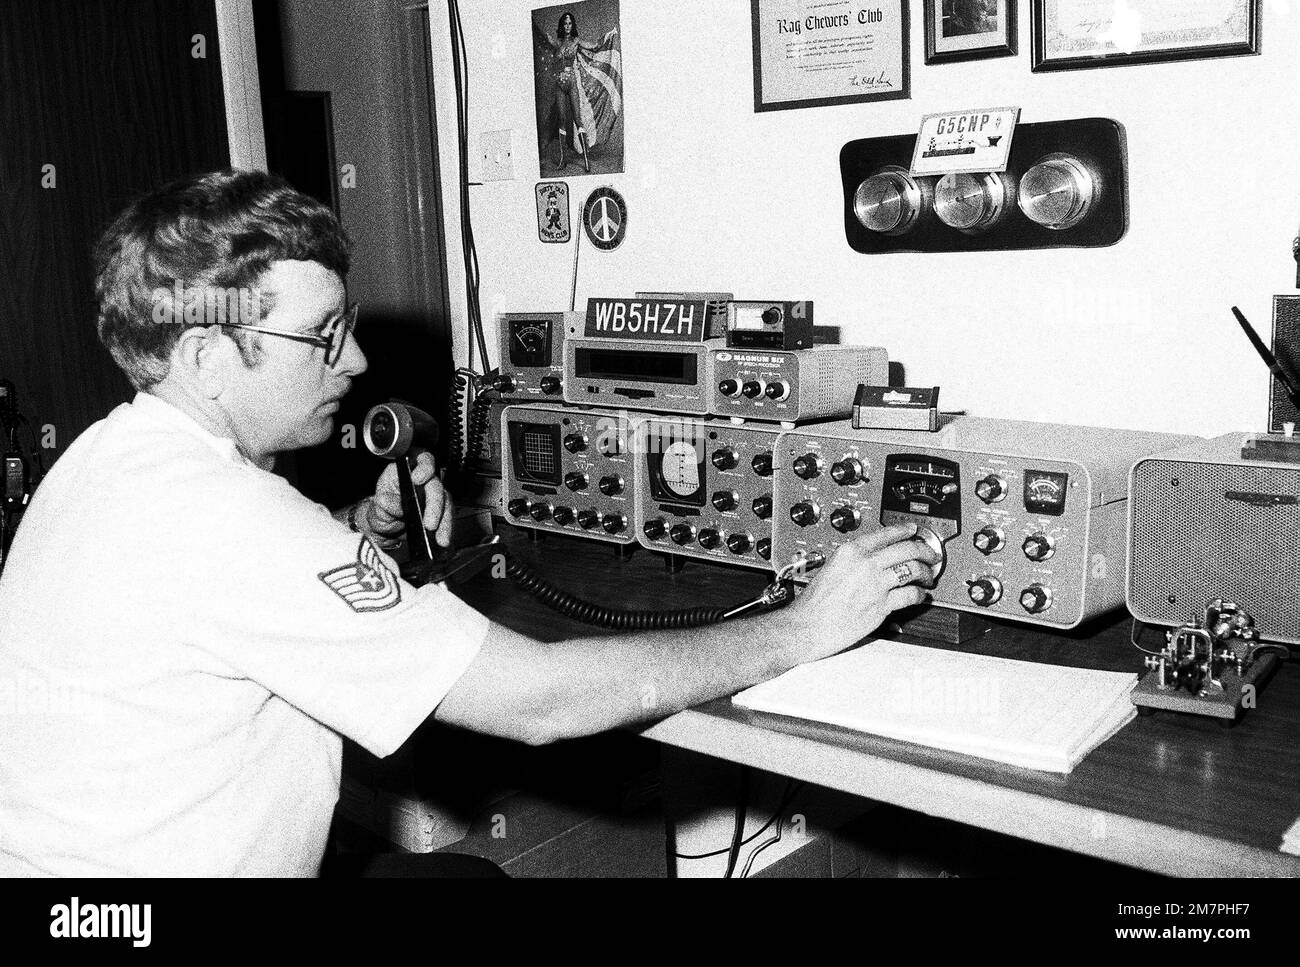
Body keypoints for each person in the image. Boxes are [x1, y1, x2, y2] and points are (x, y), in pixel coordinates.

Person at [0, 170, 939, 877]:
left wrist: (359, 531)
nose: (357, 357)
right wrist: (808, 625)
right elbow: (537, 701)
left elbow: (235, 596)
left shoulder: (109, 460)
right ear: (208, 355)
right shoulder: (220, 517)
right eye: (322, 334)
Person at [535, 11, 622, 171]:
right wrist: (541, 34)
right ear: (562, 25)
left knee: (578, 119)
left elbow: (595, 46)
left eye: (570, 23)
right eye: (565, 23)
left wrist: (610, 35)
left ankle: (586, 159)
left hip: (572, 83)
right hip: (558, 84)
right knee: (561, 120)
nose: (567, 26)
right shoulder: (557, 42)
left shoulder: (576, 41)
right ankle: (562, 159)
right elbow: (546, 44)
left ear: (572, 25)